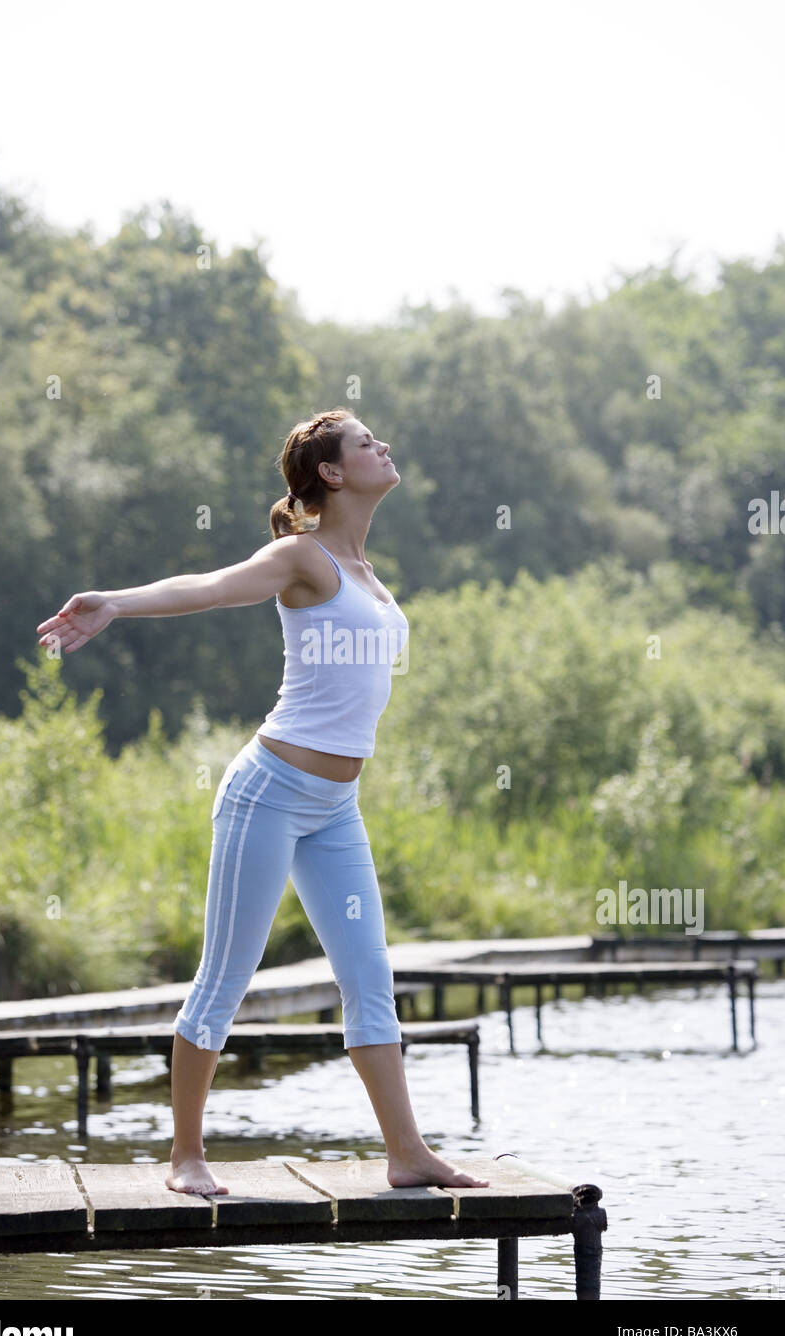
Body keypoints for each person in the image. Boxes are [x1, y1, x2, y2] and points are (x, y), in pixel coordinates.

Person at [36, 409, 489, 1195]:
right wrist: (114, 600)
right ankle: (184, 1157)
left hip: (336, 809)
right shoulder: (301, 558)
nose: (384, 445)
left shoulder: (371, 575)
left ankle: (408, 1152)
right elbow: (210, 588)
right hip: (268, 795)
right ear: (334, 475)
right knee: (226, 977)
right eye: (364, 442)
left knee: (368, 975)